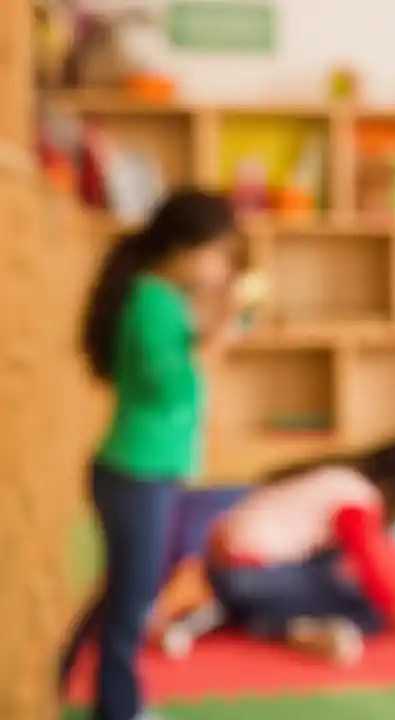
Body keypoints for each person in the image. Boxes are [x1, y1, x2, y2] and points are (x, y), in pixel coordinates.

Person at [73, 188, 239, 720]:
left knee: (127, 590)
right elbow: (175, 390)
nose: (221, 267)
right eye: (218, 253)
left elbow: (177, 370)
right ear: (186, 250)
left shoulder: (158, 301)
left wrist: (219, 329)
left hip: (144, 470)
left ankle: (77, 679)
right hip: (136, 472)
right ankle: (117, 710)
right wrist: (214, 344)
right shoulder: (155, 303)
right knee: (133, 600)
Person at [175, 437, 395, 665]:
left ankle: (238, 616)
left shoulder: (333, 478)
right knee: (366, 607)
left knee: (333, 566)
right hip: (253, 576)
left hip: (224, 573)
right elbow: (373, 567)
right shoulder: (357, 498)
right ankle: (286, 625)